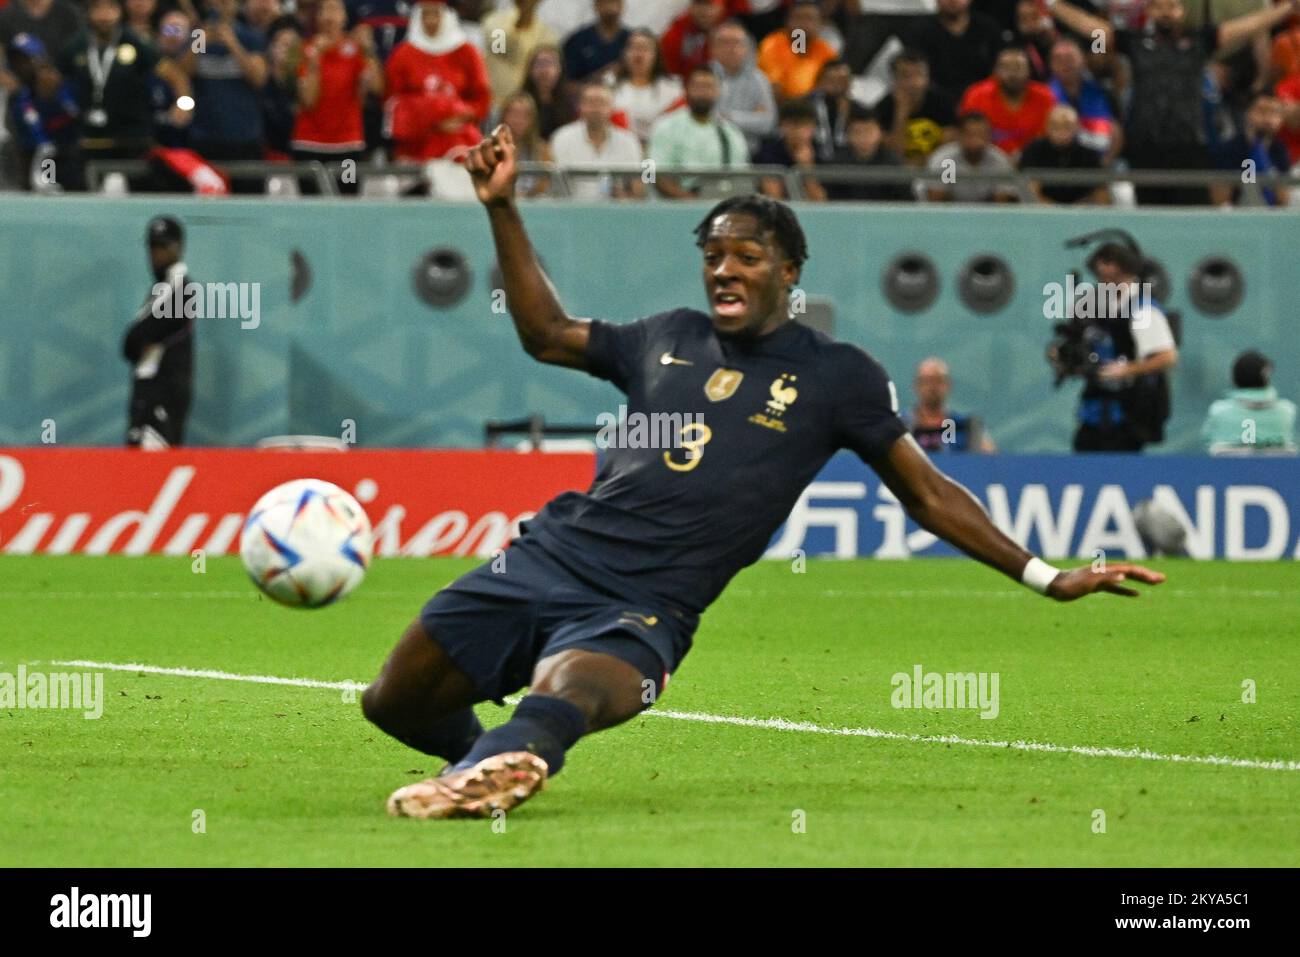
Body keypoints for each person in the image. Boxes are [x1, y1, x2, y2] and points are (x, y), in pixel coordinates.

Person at [361, 129, 1166, 820]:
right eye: (713, 255)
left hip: (646, 605)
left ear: (789, 272)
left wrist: (1045, 575)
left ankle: (505, 764)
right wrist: (501, 204)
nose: (725, 270)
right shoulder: (664, 336)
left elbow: (927, 492)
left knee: (567, 691)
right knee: (391, 700)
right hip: (546, 557)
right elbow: (544, 333)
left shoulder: (837, 376)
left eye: (748, 256)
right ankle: (480, 765)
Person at [1049, 0, 1298, 205]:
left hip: (1191, 148)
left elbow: (1245, 27)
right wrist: (1053, 4)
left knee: (1193, 222)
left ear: (1182, 11)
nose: (1166, 12)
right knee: (1151, 223)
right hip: (1144, 148)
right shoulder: (1134, 42)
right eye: (1159, 6)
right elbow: (1093, 29)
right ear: (1150, 11)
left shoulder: (1200, 41)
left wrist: (1285, 10)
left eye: (1172, 6)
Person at [1069, 242, 1178, 452]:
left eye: (1111, 277)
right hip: (1095, 409)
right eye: (1101, 277)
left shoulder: (1144, 309)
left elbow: (1167, 357)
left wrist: (1127, 369)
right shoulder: (1096, 307)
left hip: (1128, 413)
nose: (1104, 282)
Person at [383, 0, 490, 161]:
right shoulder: (402, 55)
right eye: (425, 14)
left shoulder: (467, 52)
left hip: (459, 140)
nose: (430, 21)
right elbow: (392, 101)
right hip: (415, 144)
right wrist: (431, 116)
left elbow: (482, 98)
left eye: (435, 14)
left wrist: (459, 115)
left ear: (446, 16)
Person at [293, 0, 382, 187]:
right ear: (317, 17)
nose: (330, 16)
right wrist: (315, 59)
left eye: (335, 9)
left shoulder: (357, 50)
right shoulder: (304, 49)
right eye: (325, 10)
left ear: (344, 17)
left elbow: (377, 88)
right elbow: (308, 100)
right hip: (309, 144)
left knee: (347, 206)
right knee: (310, 208)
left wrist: (368, 50)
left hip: (348, 144)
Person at [123, 216, 194, 449]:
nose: (156, 254)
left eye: (163, 246)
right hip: (149, 396)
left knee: (148, 471)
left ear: (178, 247)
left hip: (161, 396)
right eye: (152, 246)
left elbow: (135, 338)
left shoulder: (180, 287)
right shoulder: (161, 288)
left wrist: (138, 339)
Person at [647, 63, 750, 198]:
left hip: (721, 204)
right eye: (698, 86)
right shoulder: (665, 126)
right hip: (675, 207)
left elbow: (740, 179)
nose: (703, 93)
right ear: (686, 90)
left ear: (718, 91)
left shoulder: (731, 133)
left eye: (709, 87)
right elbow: (652, 175)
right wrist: (691, 202)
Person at [549, 79, 644, 199]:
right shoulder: (561, 138)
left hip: (616, 212)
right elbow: (554, 187)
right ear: (580, 106)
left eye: (601, 102)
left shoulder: (629, 141)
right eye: (589, 102)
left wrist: (625, 197)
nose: (595, 108)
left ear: (611, 107)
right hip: (571, 212)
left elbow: (639, 188)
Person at [957, 45, 1054, 159]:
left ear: (1029, 71)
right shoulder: (977, 95)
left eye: (1018, 67)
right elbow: (967, 135)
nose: (1013, 74)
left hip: (1033, 163)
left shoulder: (1045, 97)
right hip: (987, 163)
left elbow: (1051, 137)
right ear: (995, 71)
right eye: (1006, 67)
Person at [1201, 350, 1297, 454]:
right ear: (1266, 379)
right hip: (1276, 470)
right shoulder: (1287, 413)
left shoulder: (1218, 412)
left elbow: (1206, 441)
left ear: (1234, 379)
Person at [875, 47, 956, 166]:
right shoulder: (884, 107)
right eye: (906, 76)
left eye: (919, 74)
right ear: (894, 80)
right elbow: (894, 153)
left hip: (936, 167)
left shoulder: (942, 102)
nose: (914, 83)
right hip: (900, 171)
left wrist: (921, 164)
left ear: (928, 77)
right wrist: (901, 112)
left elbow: (949, 148)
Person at [1211, 91, 1292, 207]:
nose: (1268, 118)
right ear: (1247, 113)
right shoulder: (1230, 149)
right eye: (1262, 111)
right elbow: (1220, 198)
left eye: (1274, 112)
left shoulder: (1279, 150)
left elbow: (1283, 199)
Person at [709, 17, 777, 154]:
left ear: (746, 48)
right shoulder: (704, 76)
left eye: (736, 43)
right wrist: (749, 118)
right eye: (724, 43)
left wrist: (728, 117)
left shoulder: (759, 79)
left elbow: (768, 122)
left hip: (749, 152)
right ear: (713, 49)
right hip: (708, 150)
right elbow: (703, 119)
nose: (731, 49)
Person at [1019, 103, 1108, 204]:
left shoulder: (1089, 155)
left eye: (1067, 126)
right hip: (1043, 213)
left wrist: (1079, 212)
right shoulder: (1033, 151)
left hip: (1081, 213)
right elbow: (1030, 192)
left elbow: (1101, 193)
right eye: (1056, 126)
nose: (1061, 132)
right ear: (1047, 126)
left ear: (1077, 127)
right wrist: (1056, 211)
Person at [905, 356, 996, 452]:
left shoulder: (967, 426)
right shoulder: (902, 426)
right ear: (916, 385)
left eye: (938, 380)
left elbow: (991, 461)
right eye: (927, 381)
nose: (932, 387)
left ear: (948, 385)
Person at [925, 110, 1020, 202]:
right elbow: (936, 200)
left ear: (989, 136)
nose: (976, 141)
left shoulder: (999, 160)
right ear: (959, 135)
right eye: (970, 135)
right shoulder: (945, 160)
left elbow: (1002, 204)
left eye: (981, 135)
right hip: (950, 213)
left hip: (987, 214)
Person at [610, 27, 683, 145]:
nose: (639, 54)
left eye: (645, 49)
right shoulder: (609, 86)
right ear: (624, 54)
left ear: (656, 55)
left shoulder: (673, 89)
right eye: (634, 48)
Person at [480, 0, 556, 110]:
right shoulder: (495, 22)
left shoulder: (546, 33)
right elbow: (499, 49)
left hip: (526, 109)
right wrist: (520, 20)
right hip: (493, 104)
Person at [825, 105, 911, 201]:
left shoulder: (894, 164)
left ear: (880, 133)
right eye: (857, 132)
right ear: (848, 135)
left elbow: (906, 201)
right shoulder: (836, 164)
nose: (863, 138)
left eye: (868, 131)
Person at [756, 0, 837, 101]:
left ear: (820, 24)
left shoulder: (825, 49)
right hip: (783, 109)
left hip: (816, 106)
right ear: (787, 22)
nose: (803, 24)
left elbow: (832, 86)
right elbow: (773, 91)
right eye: (798, 18)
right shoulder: (773, 45)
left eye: (809, 18)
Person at [754, 96, 826, 199]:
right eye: (794, 125)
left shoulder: (820, 152)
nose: (800, 132)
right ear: (782, 126)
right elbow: (774, 199)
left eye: (805, 125)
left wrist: (806, 168)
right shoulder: (768, 153)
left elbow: (821, 202)